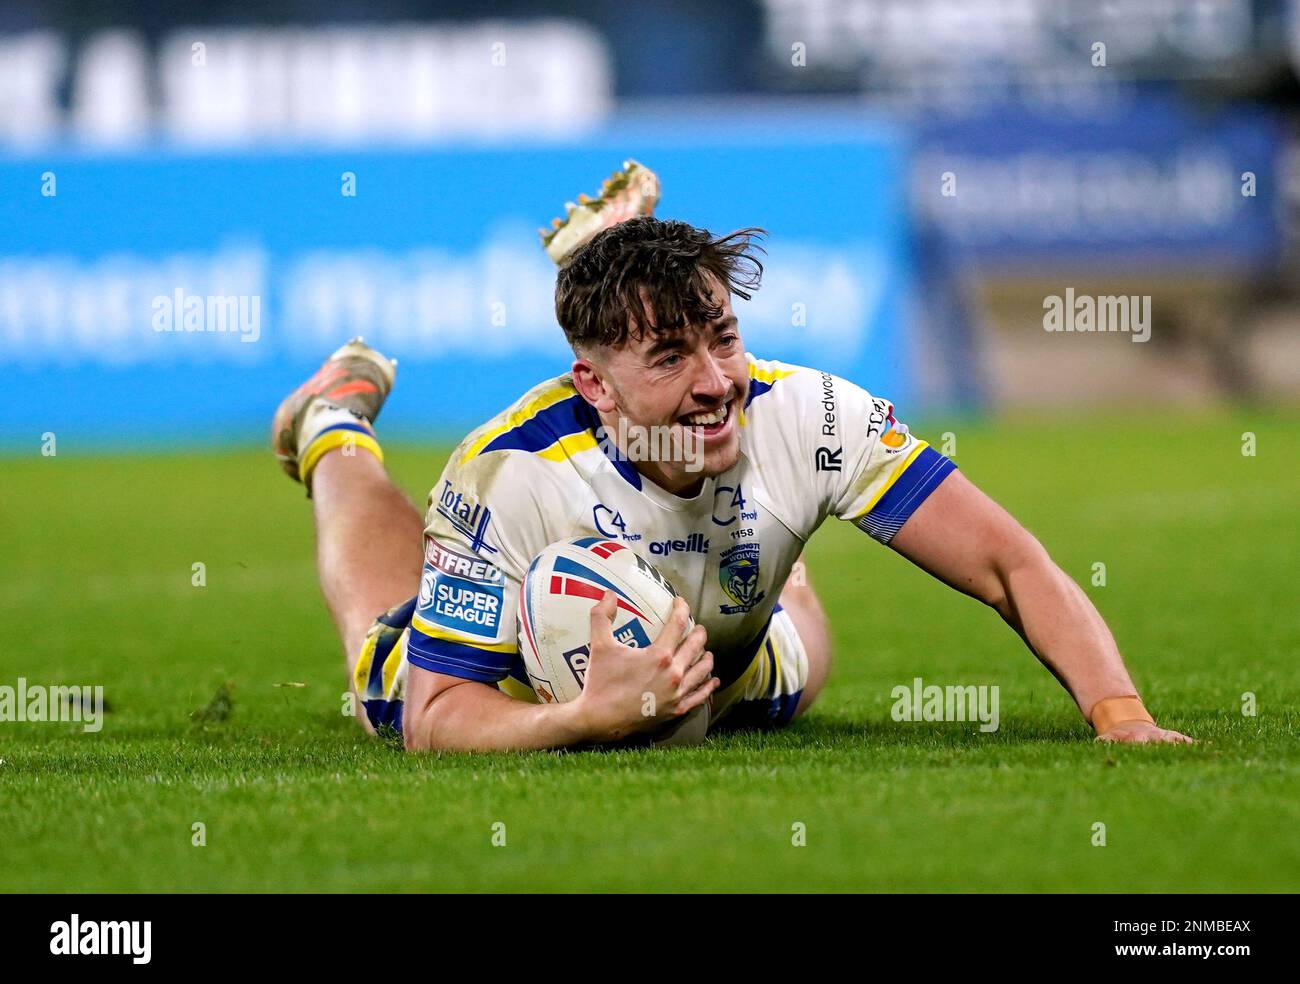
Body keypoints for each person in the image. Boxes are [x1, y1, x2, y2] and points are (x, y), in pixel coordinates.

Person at [271, 162, 1194, 751]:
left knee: (805, 652)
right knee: (379, 650)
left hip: (726, 670)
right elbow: (437, 722)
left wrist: (1123, 720)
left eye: (722, 337)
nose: (716, 381)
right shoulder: (508, 472)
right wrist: (585, 718)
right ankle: (331, 427)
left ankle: (615, 262)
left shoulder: (810, 413)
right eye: (669, 357)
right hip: (519, 674)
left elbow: (1010, 563)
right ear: (594, 387)